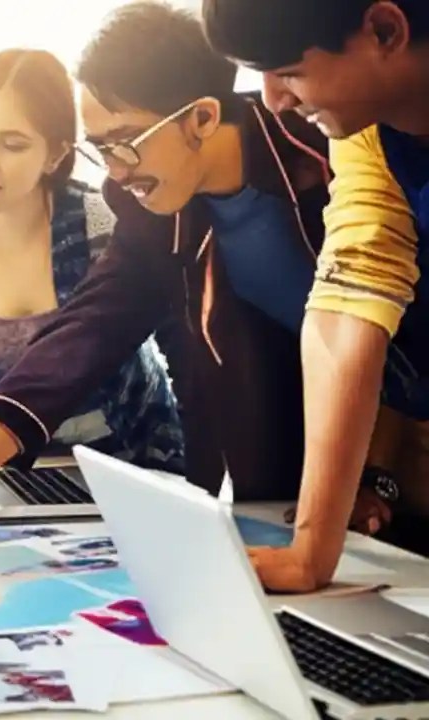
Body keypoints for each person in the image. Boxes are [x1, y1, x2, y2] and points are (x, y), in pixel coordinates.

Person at [0, 2, 338, 594]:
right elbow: (83, 336)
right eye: (99, 147)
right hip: (291, 489)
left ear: (202, 118)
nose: (114, 171)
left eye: (125, 142)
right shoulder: (155, 209)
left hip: (382, 462)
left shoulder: (324, 156)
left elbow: (376, 330)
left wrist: (369, 474)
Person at [203, 0, 429, 591]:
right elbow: (352, 289)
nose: (275, 101)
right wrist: (310, 550)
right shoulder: (369, 129)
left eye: (289, 72)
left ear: (384, 30)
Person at [0, 48, 184, 472]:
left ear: (55, 155)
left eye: (12, 144)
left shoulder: (102, 226)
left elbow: (178, 348)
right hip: (10, 470)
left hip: (138, 461)